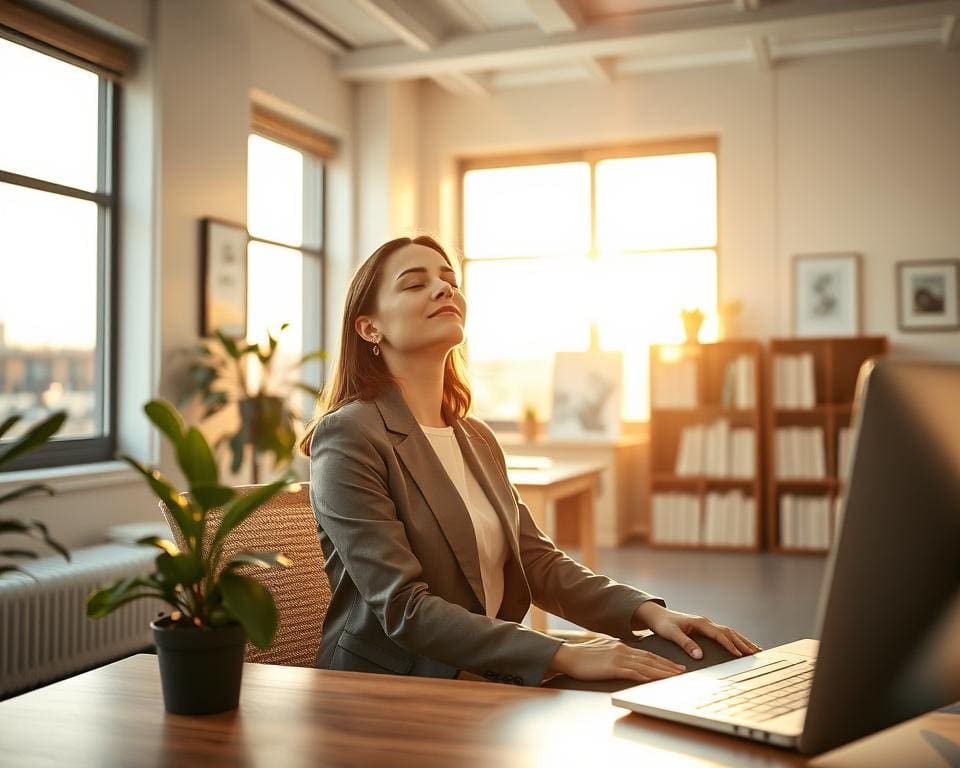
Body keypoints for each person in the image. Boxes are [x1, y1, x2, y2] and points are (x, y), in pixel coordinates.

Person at [301, 235, 760, 687]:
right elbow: (404, 608)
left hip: (483, 670)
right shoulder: (349, 435)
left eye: (449, 279)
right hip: (393, 687)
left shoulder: (475, 436)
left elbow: (536, 563)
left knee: (704, 662)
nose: (444, 289)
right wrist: (565, 655)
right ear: (369, 328)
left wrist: (649, 612)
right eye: (415, 283)